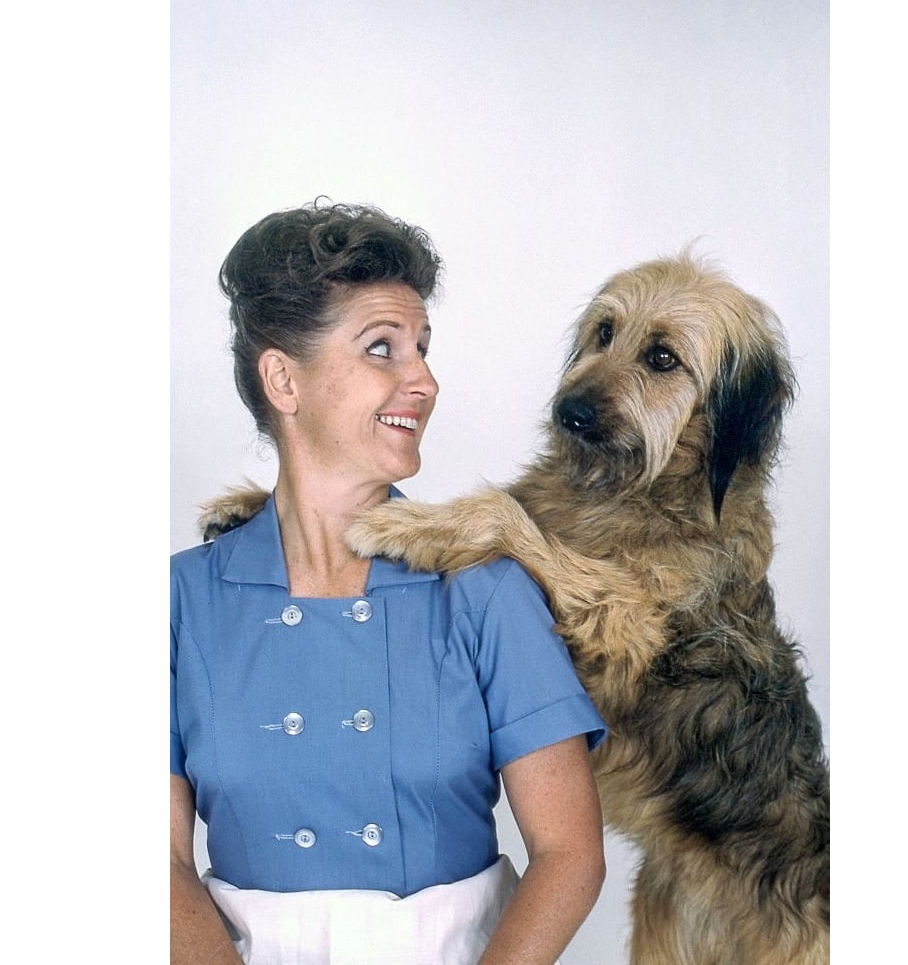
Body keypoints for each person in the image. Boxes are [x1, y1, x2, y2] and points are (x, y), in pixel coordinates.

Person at [170, 199, 608, 965]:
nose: (424, 381)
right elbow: (154, 861)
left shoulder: (482, 589)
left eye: (423, 349)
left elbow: (571, 854)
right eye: (383, 348)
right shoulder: (180, 604)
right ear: (283, 379)